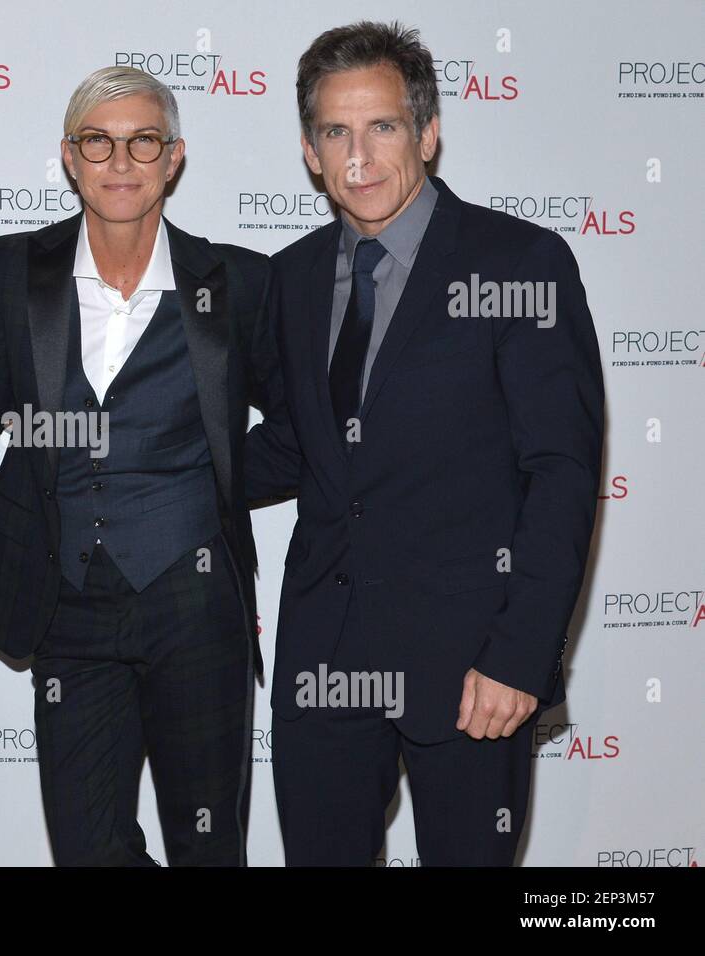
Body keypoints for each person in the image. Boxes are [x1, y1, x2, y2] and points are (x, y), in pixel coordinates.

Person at [244, 21, 604, 865]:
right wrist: (152, 464)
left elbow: (560, 471)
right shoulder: (290, 278)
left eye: (383, 127)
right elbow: (304, 447)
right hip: (323, 666)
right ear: (309, 149)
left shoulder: (519, 263)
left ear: (429, 134)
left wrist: (521, 658)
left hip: (473, 669)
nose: (359, 156)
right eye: (336, 131)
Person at [0, 67, 270, 866]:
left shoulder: (237, 283)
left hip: (195, 600)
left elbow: (305, 431)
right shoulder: (9, 272)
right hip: (65, 602)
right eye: (98, 141)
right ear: (70, 158)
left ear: (173, 158)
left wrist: (214, 479)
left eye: (143, 141)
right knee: (87, 846)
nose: (121, 161)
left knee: (207, 844)